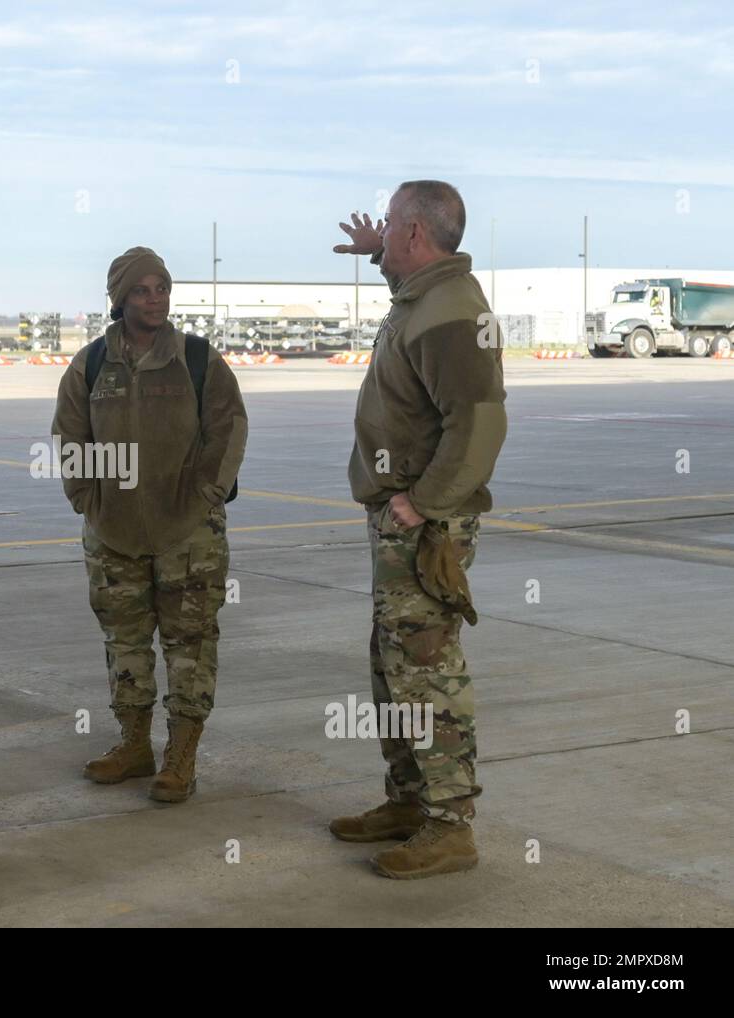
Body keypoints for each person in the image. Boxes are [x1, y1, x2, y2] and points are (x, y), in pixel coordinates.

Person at [329, 181, 507, 878]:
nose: (384, 236)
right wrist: (380, 254)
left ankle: (449, 825)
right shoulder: (425, 297)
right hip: (401, 515)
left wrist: (425, 502)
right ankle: (408, 801)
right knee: (394, 666)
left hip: (424, 523)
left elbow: (481, 421)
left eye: (392, 227)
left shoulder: (448, 314)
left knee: (426, 670)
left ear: (415, 235)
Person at [51, 246, 248, 803]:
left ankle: (180, 756)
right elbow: (70, 436)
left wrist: (205, 494)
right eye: (142, 290)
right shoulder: (91, 364)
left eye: (161, 288)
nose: (155, 299)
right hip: (113, 533)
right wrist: (88, 499)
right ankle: (134, 744)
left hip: (188, 533)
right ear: (119, 298)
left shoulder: (197, 359)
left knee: (191, 644)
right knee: (125, 642)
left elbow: (228, 429)